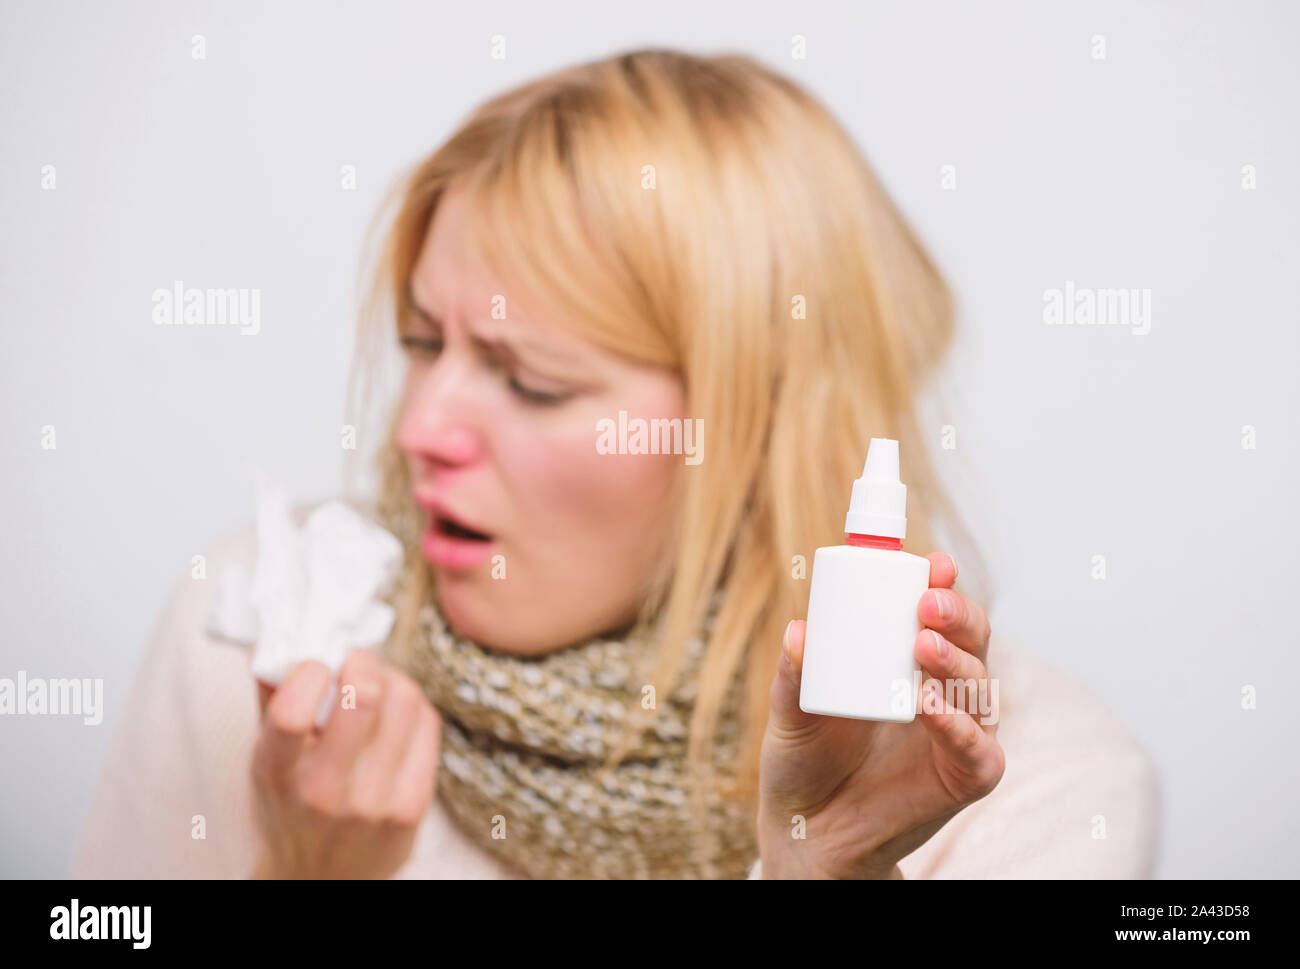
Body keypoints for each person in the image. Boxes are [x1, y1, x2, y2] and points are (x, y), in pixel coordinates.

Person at [72, 49, 1159, 879]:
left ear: (753, 435)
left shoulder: (1028, 789)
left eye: (531, 380)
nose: (418, 431)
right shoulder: (256, 638)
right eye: (421, 345)